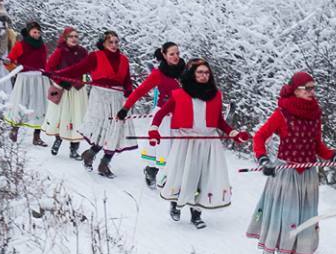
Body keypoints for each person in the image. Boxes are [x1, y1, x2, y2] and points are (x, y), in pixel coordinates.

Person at [246, 71, 336, 254]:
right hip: (287, 172)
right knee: (283, 214)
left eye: (314, 88)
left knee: (304, 216)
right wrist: (263, 158)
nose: (312, 92)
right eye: (308, 88)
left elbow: (317, 145)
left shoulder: (315, 114)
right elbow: (260, 137)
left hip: (308, 174)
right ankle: (271, 245)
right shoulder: (282, 113)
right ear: (295, 89)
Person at [149, 59, 249, 228]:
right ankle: (175, 203)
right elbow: (161, 114)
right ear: (192, 74)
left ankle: (196, 214)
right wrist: (154, 130)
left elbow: (218, 121)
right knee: (182, 174)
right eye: (200, 72)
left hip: (208, 144)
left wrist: (234, 134)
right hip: (186, 142)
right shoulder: (180, 94)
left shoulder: (215, 95)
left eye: (207, 73)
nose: (204, 76)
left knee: (204, 177)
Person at [50, 30, 134, 178]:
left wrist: (128, 92)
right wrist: (58, 73)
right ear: (103, 43)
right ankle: (92, 154)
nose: (114, 45)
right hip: (100, 96)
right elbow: (78, 69)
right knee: (103, 130)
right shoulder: (95, 57)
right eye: (110, 42)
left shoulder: (124, 59)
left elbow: (127, 80)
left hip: (117, 97)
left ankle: (103, 163)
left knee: (116, 130)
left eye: (116, 42)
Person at [118, 42, 185, 188]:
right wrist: (125, 108)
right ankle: (151, 170)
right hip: (164, 116)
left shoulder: (185, 71)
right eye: (172, 54)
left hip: (182, 115)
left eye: (177, 53)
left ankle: (173, 179)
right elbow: (139, 91)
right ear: (164, 54)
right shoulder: (158, 74)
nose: (175, 57)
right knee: (163, 148)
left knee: (179, 149)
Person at [42, 27, 89, 160]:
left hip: (78, 89)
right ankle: (58, 139)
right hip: (62, 88)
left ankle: (74, 149)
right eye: (71, 36)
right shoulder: (59, 52)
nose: (74, 39)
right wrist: (60, 79)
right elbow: (49, 69)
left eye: (76, 36)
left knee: (77, 117)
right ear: (65, 38)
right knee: (61, 116)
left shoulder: (83, 52)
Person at [4, 21, 50, 146]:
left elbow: (45, 62)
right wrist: (9, 62)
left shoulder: (42, 46)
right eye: (34, 32)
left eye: (38, 32)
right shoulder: (21, 45)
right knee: (21, 103)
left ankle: (37, 136)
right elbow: (9, 61)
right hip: (24, 78)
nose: (37, 34)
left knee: (40, 105)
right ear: (29, 32)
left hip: (40, 78)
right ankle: (14, 130)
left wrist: (47, 72)